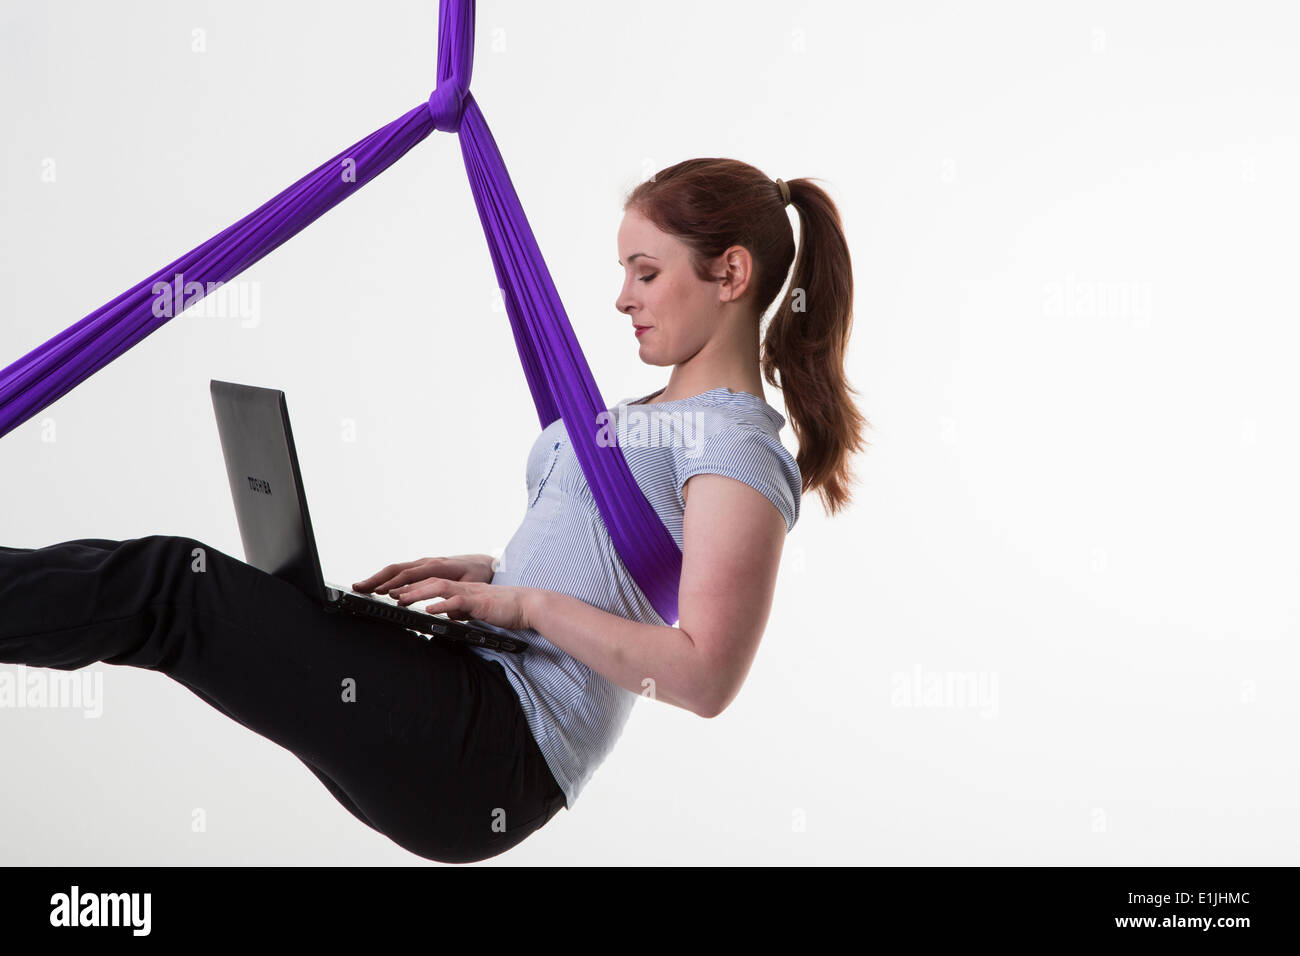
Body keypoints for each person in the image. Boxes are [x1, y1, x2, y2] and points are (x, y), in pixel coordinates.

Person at [0, 158, 867, 864]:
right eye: (623, 274)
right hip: (469, 690)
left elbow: (703, 676)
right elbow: (614, 569)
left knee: (172, 587)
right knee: (206, 604)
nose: (622, 297)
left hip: (495, 752)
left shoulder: (737, 449)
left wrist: (524, 605)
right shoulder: (642, 416)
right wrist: (492, 575)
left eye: (646, 272)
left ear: (732, 275)